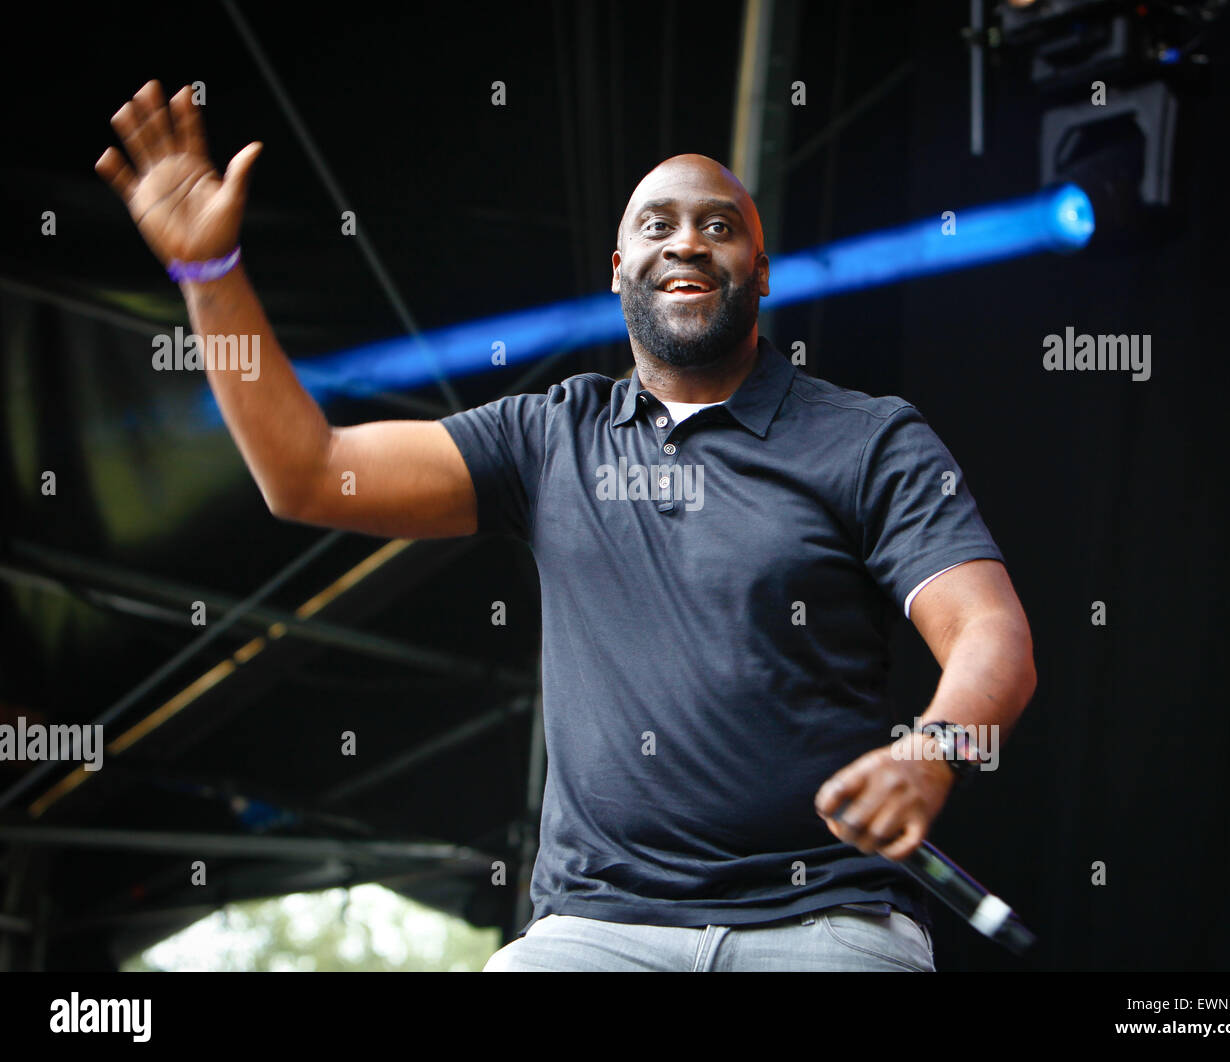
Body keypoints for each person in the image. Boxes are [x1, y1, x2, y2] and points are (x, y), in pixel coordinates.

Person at [96, 81, 1037, 972]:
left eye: (721, 226)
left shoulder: (866, 437)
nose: (689, 242)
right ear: (620, 268)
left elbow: (992, 635)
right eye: (657, 224)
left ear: (761, 272)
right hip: (597, 931)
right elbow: (306, 474)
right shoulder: (549, 436)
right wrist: (209, 272)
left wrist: (935, 751)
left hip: (821, 923)